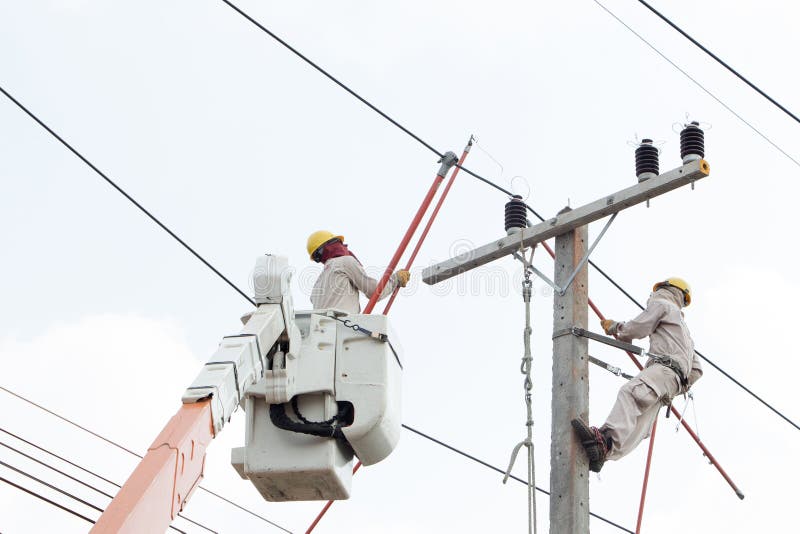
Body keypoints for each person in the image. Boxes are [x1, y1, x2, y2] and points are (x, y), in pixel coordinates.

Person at [572, 277, 703, 472]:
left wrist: (616, 328)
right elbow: (697, 370)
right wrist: (675, 385)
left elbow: (639, 327)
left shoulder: (662, 304)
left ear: (666, 289)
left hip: (663, 369)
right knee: (640, 426)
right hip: (672, 383)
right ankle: (606, 451)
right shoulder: (686, 333)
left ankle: (604, 440)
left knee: (631, 394)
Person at [307, 230, 410, 314]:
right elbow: (375, 292)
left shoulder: (317, 285)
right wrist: (396, 279)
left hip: (322, 334)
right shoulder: (344, 262)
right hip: (343, 330)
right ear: (332, 244)